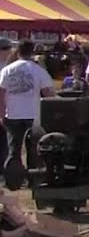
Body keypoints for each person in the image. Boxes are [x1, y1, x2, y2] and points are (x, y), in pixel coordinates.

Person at [0, 40, 55, 176]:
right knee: (34, 149)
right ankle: (33, 177)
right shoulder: (38, 70)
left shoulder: (7, 70)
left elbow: (1, 94)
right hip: (33, 115)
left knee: (14, 149)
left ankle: (13, 178)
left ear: (17, 51)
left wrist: (1, 113)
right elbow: (48, 93)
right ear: (32, 52)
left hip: (12, 114)